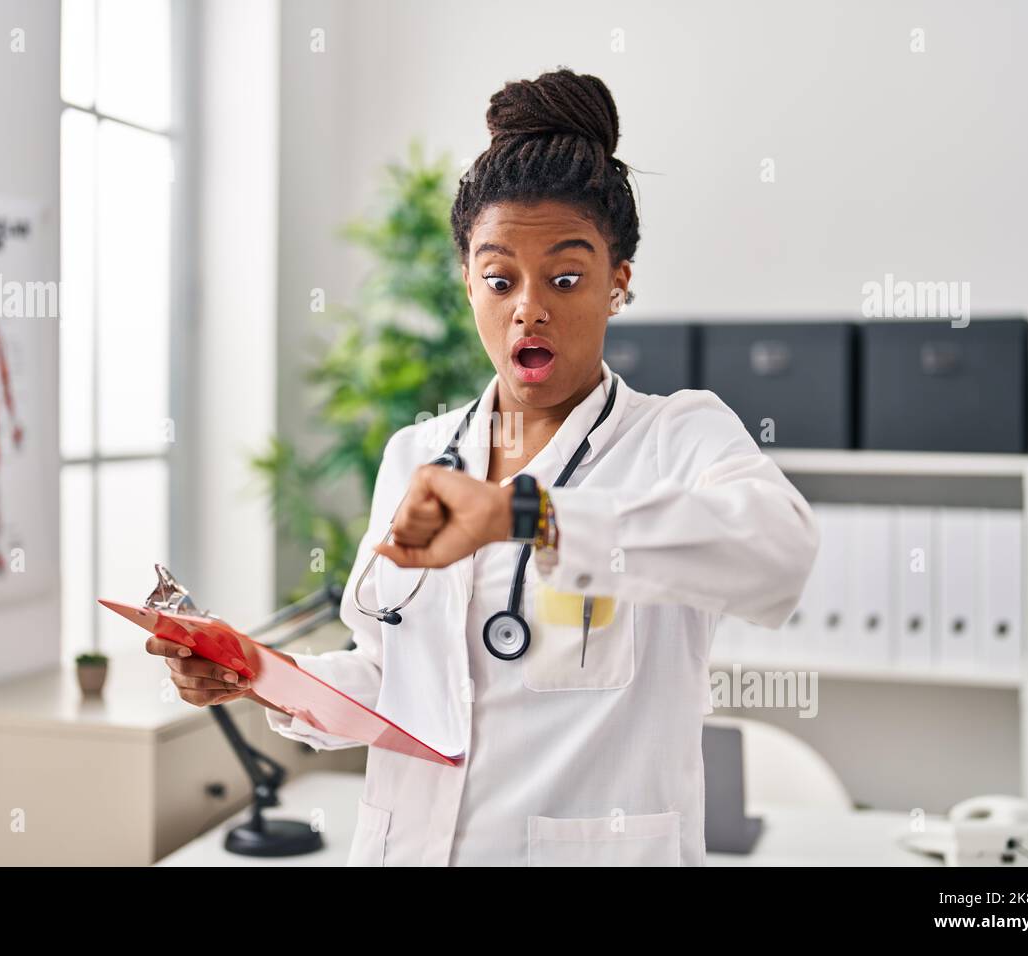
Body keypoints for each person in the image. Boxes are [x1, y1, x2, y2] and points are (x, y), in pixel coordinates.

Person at [146, 67, 819, 866]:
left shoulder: (679, 435)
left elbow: (779, 554)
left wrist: (525, 516)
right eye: (500, 278)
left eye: (565, 278)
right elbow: (396, 685)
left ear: (617, 284)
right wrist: (257, 672)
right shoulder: (417, 454)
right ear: (467, 280)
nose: (529, 307)